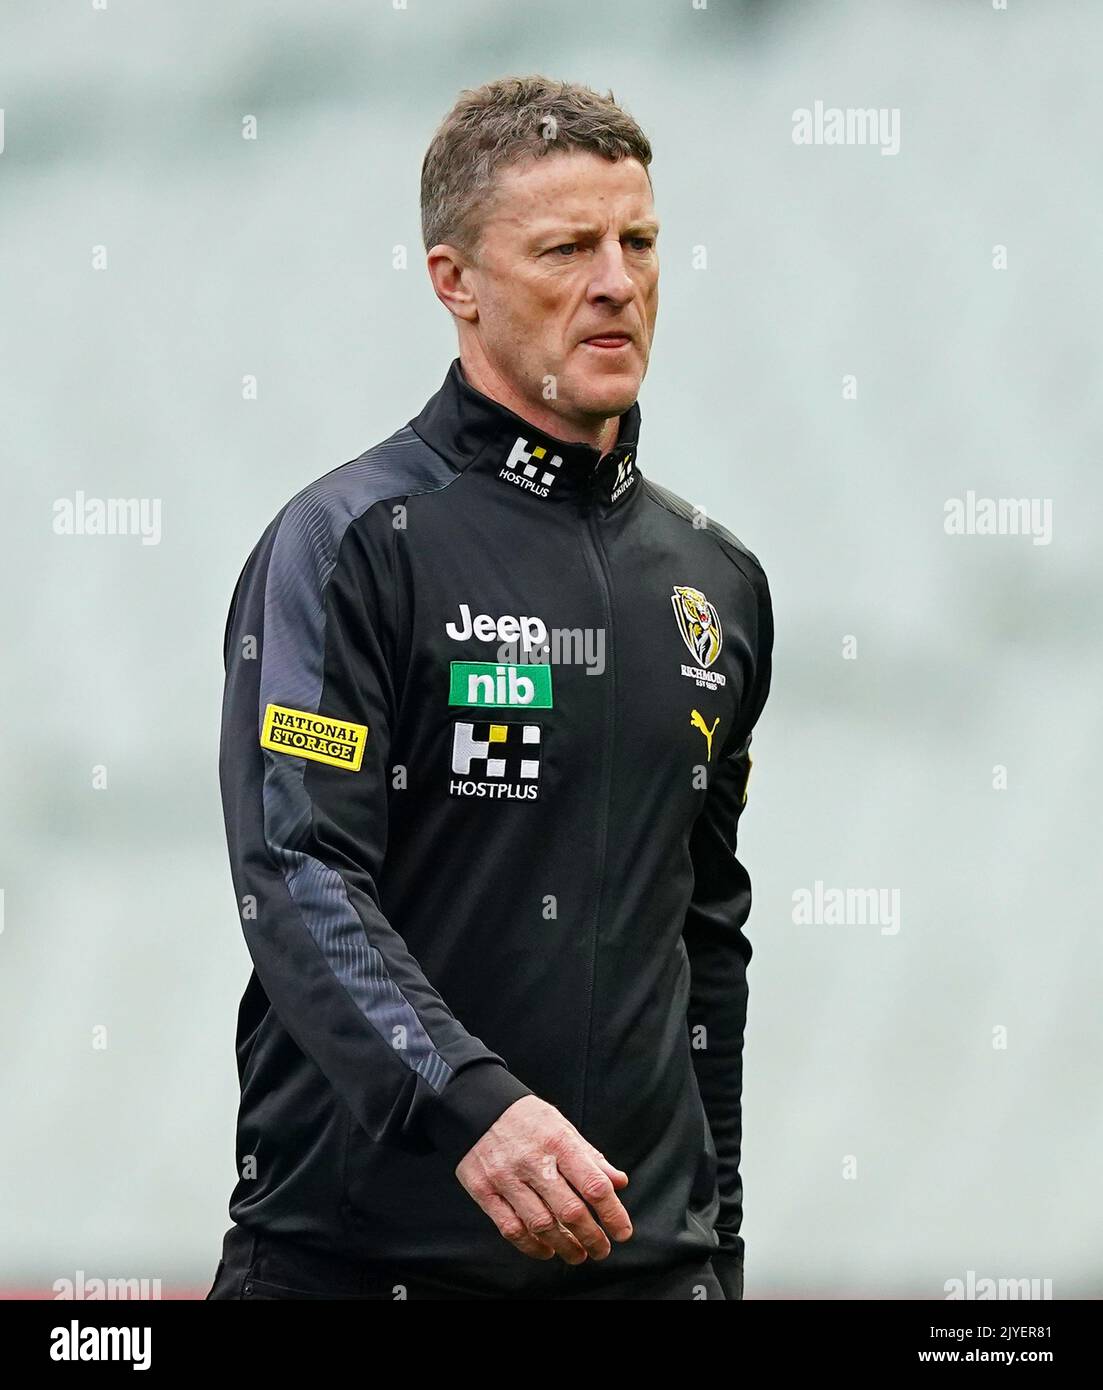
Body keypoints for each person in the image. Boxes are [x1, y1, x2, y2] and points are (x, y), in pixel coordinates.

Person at [206, 74, 773, 1302]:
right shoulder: (350, 544)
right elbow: (298, 874)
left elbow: (705, 944)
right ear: (453, 281)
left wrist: (715, 1247)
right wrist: (469, 1107)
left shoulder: (714, 582)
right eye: (566, 247)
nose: (616, 280)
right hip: (359, 1263)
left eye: (639, 242)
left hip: (640, 1269)